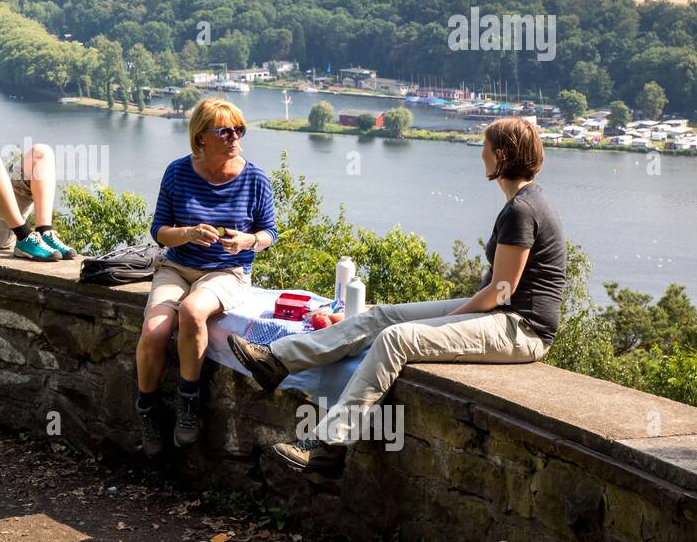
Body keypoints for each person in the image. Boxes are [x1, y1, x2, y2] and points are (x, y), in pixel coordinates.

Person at [229, 116, 565, 476]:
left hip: (520, 329)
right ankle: (276, 360)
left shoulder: (521, 210)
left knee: (396, 338)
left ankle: (329, 446)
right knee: (382, 316)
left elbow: (501, 291)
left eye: (484, 147)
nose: (480, 153)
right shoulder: (523, 202)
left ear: (500, 155)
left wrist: (448, 321)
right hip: (501, 315)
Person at [135, 97, 276, 457]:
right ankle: (147, 409)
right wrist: (189, 233)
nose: (235, 137)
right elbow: (159, 231)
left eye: (238, 129)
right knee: (154, 329)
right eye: (225, 131)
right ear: (201, 137)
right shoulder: (178, 172)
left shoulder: (255, 178)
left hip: (227, 271)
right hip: (178, 266)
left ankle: (188, 401)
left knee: (193, 311)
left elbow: (269, 234)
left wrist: (249, 241)